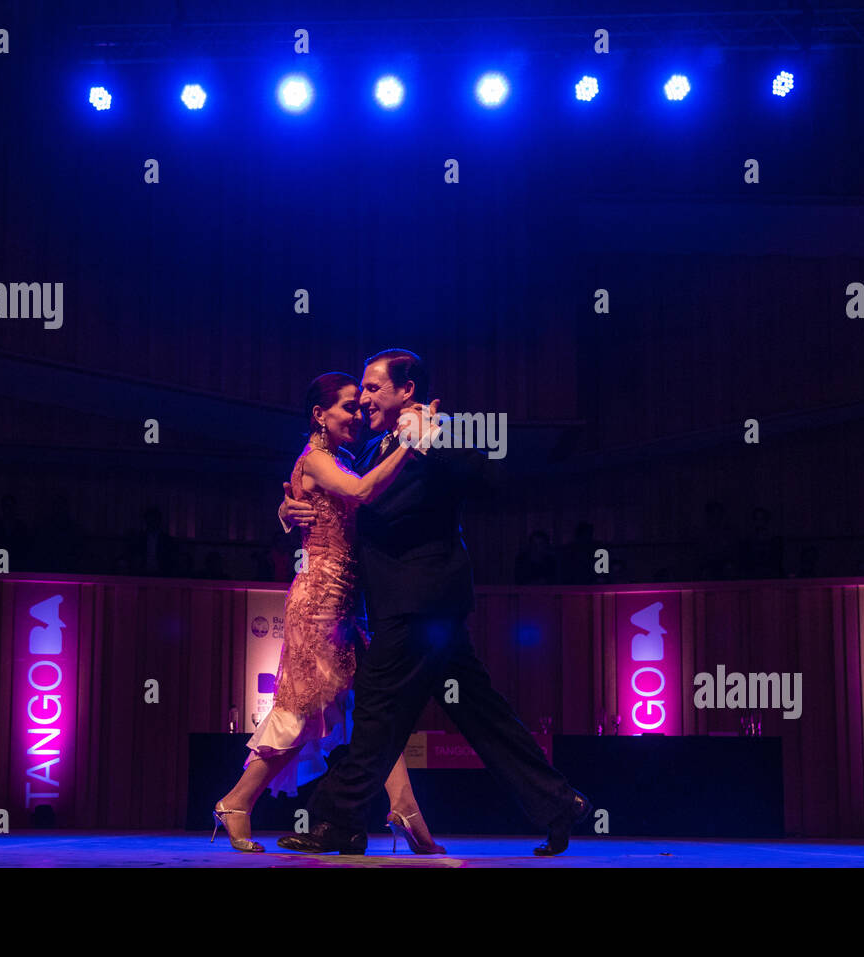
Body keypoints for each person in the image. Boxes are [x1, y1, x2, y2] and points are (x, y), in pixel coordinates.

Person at [276, 349, 590, 856]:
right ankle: (559, 804)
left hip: (419, 605)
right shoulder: (375, 450)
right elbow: (350, 506)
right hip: (419, 607)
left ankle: (338, 822)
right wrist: (291, 509)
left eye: (374, 389)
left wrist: (431, 440)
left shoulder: (430, 440)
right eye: (360, 393)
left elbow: (493, 480)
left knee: (378, 708)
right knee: (481, 714)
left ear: (407, 392)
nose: (364, 401)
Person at [211, 372, 445, 854]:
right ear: (319, 415)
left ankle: (404, 808)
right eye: (347, 407)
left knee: (378, 712)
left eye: (360, 407)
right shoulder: (319, 458)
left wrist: (286, 506)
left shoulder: (337, 458)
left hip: (346, 603)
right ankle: (236, 800)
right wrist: (409, 446)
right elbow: (359, 494)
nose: (358, 415)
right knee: (301, 710)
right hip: (320, 601)